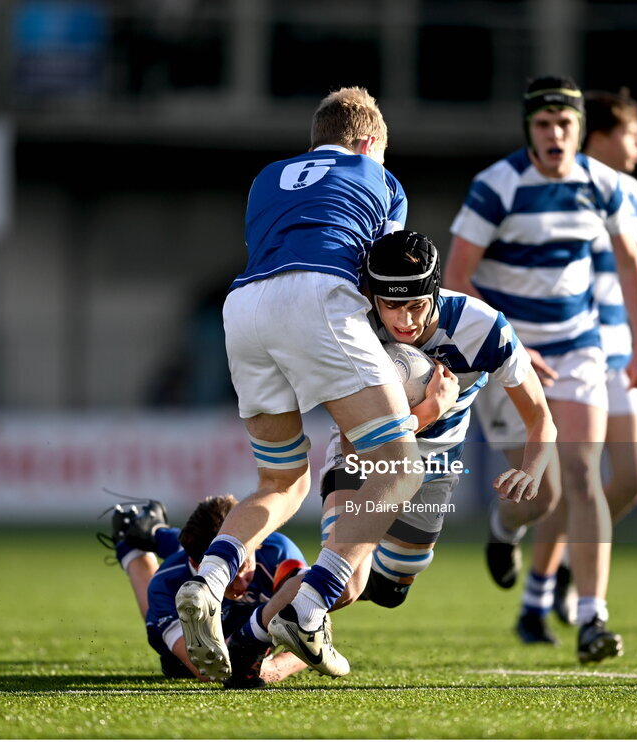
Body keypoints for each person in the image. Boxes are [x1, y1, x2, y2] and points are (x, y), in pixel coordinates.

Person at [206, 231, 556, 683]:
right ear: (373, 296)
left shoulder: (484, 329)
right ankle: (248, 643)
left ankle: (289, 614)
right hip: (360, 453)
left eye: (416, 306)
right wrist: (430, 409)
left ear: (435, 293)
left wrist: (532, 469)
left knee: (390, 589)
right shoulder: (352, 325)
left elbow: (541, 418)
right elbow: (361, 440)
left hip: (437, 464)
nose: (404, 322)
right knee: (346, 581)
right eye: (392, 306)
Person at [174, 87, 424, 682]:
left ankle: (208, 581)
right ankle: (313, 603)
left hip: (244, 306)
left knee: (281, 478)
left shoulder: (269, 176)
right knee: (401, 466)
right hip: (320, 294)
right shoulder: (380, 180)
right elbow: (383, 277)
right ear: (369, 143)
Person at [444, 75, 637, 664]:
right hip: (507, 350)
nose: (555, 135)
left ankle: (592, 616)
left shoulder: (603, 185)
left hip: (578, 347)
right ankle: (503, 526)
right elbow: (456, 278)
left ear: (579, 131)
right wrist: (507, 339)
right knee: (539, 496)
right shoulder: (498, 186)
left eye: (565, 125)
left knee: (581, 471)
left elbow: (632, 266)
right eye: (543, 125)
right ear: (529, 131)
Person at [510, 89, 637, 634]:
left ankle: (559, 570)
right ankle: (540, 596)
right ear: (600, 138)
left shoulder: (625, 191)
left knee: (634, 477)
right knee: (579, 479)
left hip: (622, 348)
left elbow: (634, 274)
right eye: (630, 133)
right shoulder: (558, 189)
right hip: (583, 350)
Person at [101, 497, 308, 688]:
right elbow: (207, 670)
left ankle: (153, 533)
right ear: (195, 564)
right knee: (165, 631)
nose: (238, 586)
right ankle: (130, 548)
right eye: (228, 578)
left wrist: (275, 669)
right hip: (183, 644)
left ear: (256, 543)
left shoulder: (278, 554)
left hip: (210, 572)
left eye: (243, 568)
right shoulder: (166, 583)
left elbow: (314, 627)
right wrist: (257, 667)